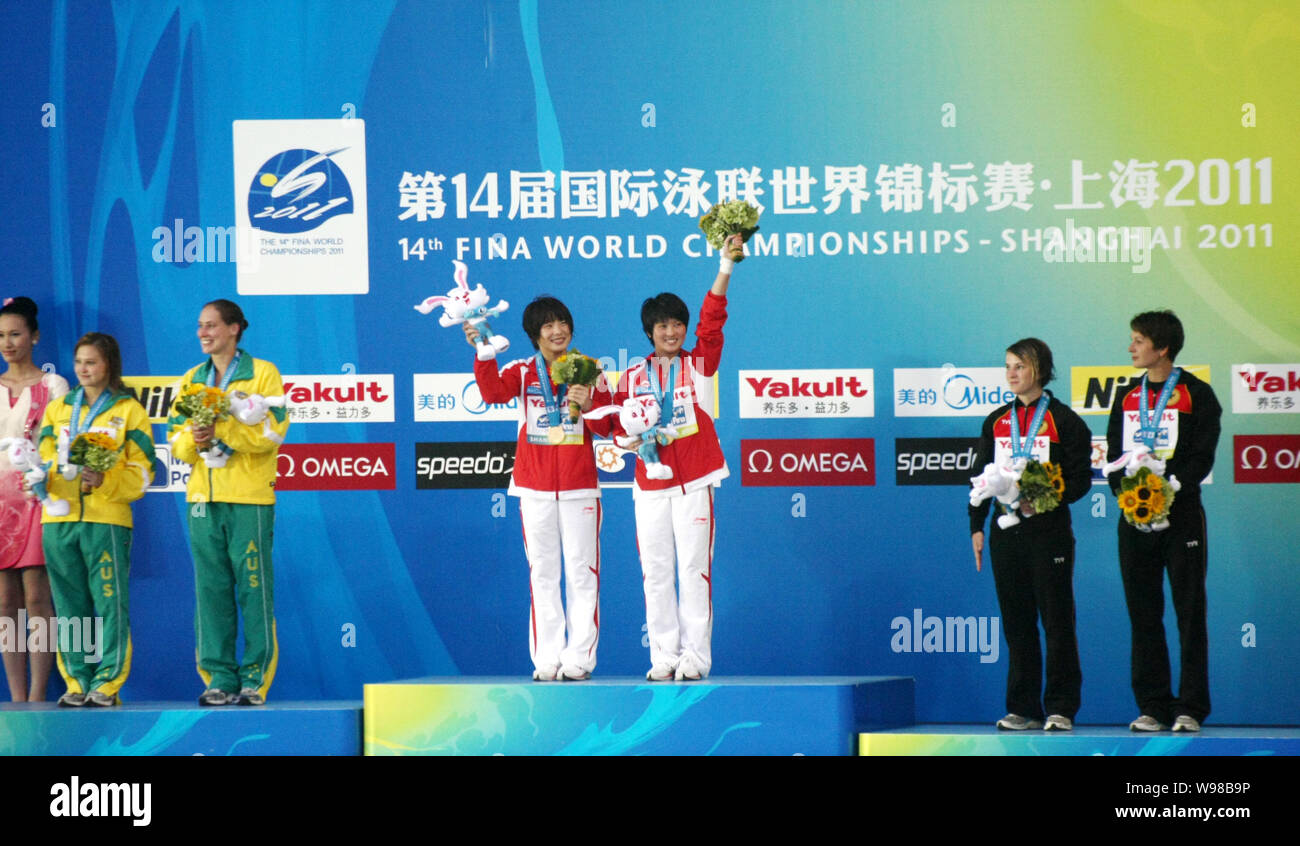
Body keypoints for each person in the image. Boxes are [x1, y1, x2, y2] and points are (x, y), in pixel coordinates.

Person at [612, 232, 747, 681]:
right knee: (655, 573)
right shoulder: (632, 375)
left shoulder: (700, 365)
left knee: (692, 570)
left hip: (694, 483)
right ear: (649, 332)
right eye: (662, 326)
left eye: (677, 325)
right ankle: (663, 657)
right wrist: (629, 441)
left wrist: (725, 266)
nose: (671, 333)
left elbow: (713, 320)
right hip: (650, 486)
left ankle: (696, 658)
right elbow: (617, 429)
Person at [466, 297, 611, 681]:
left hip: (580, 488)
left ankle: (579, 658)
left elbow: (608, 426)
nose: (557, 331)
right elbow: (492, 394)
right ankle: (547, 657)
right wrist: (483, 353)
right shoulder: (521, 371)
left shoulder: (590, 369)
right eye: (548, 325)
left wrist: (589, 402)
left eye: (562, 323)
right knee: (543, 574)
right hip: (533, 488)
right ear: (535, 335)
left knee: (582, 574)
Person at [168, 300, 288, 706]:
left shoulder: (263, 373)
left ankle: (254, 678)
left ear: (234, 328)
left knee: (254, 588)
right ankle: (218, 677)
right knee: (211, 590)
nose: (203, 333)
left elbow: (272, 433)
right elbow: (175, 439)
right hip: (202, 497)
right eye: (200, 326)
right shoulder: (191, 379)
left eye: (212, 325)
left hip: (248, 496)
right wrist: (195, 439)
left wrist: (223, 431)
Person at [1107, 310, 1220, 732]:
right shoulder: (1126, 395)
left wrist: (1168, 487)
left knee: (1189, 612)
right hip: (1135, 517)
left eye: (1139, 340)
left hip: (1181, 516)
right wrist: (1128, 492)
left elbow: (1202, 456)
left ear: (1163, 348)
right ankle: (1152, 706)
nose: (1131, 347)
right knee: (1143, 614)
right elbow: (1113, 457)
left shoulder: (1197, 393)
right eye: (1132, 339)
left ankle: (1190, 707)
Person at [970, 339, 1092, 731]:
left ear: (1039, 369)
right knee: (1017, 622)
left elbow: (1080, 480)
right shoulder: (996, 421)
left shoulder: (1065, 420)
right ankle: (1022, 707)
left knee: (1057, 621)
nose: (1011, 374)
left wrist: (1045, 498)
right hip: (1005, 533)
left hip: (1048, 534)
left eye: (1019, 366)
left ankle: (1060, 708)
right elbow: (981, 476)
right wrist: (976, 524)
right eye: (1008, 366)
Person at [38, 332, 153, 706]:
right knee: (69, 606)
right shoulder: (59, 408)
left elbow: (144, 470)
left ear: (109, 365)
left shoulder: (129, 411)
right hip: (58, 518)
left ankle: (107, 680)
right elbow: (43, 456)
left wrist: (107, 480)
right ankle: (77, 680)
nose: (83, 370)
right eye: (78, 362)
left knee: (109, 603)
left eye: (91, 362)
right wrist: (39, 477)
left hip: (107, 518)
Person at [0, 297, 69, 701]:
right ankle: (16, 698)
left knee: (38, 597)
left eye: (15, 334)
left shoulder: (53, 387)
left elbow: (60, 444)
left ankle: (38, 696)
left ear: (35, 336)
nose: (7, 343)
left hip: (37, 498)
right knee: (5, 603)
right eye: (1, 336)